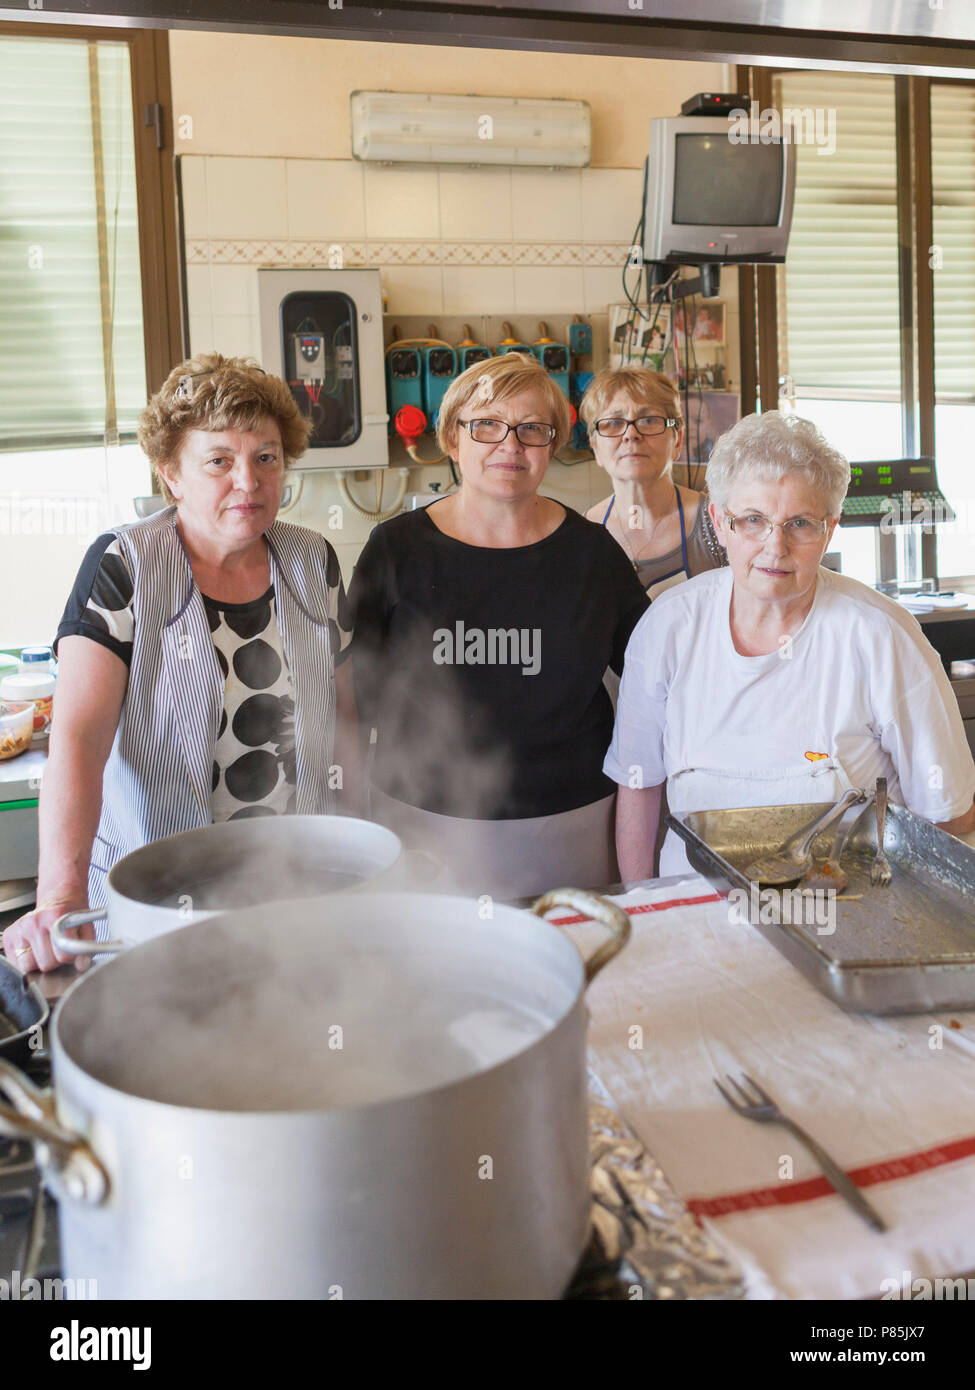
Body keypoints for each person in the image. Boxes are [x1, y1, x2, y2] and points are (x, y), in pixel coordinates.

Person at [3, 353, 356, 973]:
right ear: (172, 474)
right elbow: (79, 739)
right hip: (157, 899)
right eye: (219, 460)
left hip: (294, 891)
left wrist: (363, 853)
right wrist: (60, 896)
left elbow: (346, 713)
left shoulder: (313, 560)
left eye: (266, 458)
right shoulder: (125, 565)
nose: (248, 482)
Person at [604, 411, 975, 879]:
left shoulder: (882, 635)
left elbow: (949, 815)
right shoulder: (668, 628)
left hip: (851, 919)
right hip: (698, 919)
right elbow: (639, 788)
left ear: (830, 529)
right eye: (753, 520)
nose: (775, 547)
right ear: (719, 523)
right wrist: (647, 914)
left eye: (799, 523)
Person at [349, 352, 649, 898]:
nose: (509, 445)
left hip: (572, 821)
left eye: (532, 429)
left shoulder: (593, 554)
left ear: (553, 445)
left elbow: (653, 679)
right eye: (487, 425)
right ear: (453, 438)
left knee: (576, 964)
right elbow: (353, 697)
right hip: (422, 821)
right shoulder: (396, 550)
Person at [583, 366, 725, 601]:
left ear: (677, 439)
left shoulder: (719, 523)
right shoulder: (579, 537)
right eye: (614, 422)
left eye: (648, 420)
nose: (631, 434)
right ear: (596, 447)